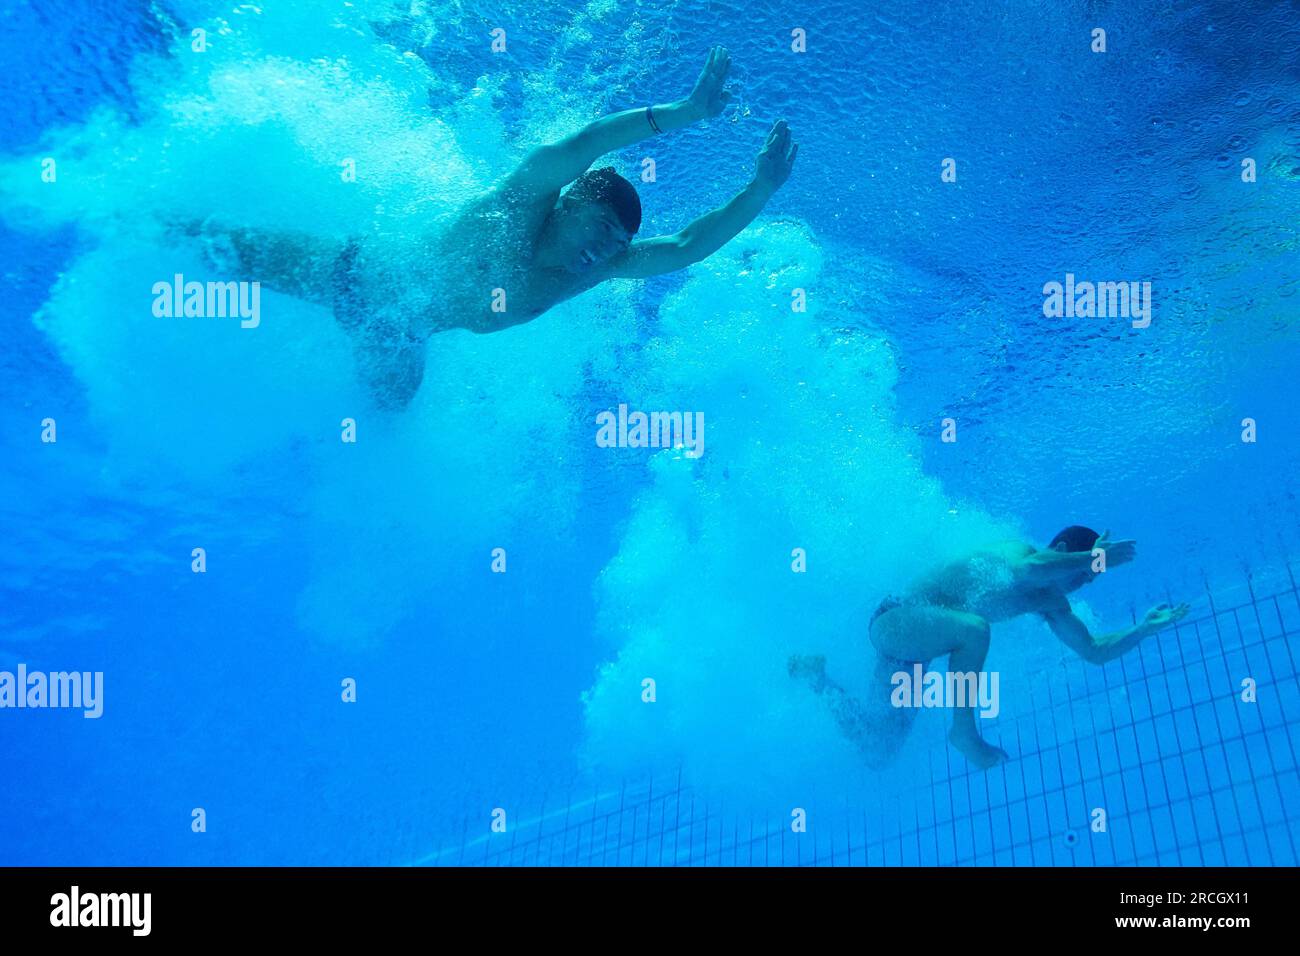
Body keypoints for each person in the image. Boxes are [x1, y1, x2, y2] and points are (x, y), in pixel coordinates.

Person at [190, 46, 798, 407]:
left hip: (403, 339)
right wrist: (686, 113)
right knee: (214, 246)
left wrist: (762, 189)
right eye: (602, 229)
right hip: (347, 273)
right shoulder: (522, 201)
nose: (606, 251)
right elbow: (587, 142)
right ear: (571, 202)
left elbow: (688, 246)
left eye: (618, 244)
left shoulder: (593, 272)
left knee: (376, 439)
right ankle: (129, 216)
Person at [789, 526, 1190, 770]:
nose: (1085, 581)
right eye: (1087, 573)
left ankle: (816, 677)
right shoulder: (1020, 552)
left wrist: (1143, 629)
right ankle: (963, 734)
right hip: (897, 618)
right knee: (975, 631)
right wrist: (1097, 555)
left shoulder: (1050, 602)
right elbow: (1027, 571)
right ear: (1066, 552)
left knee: (878, 749)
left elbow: (1094, 650)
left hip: (910, 650)